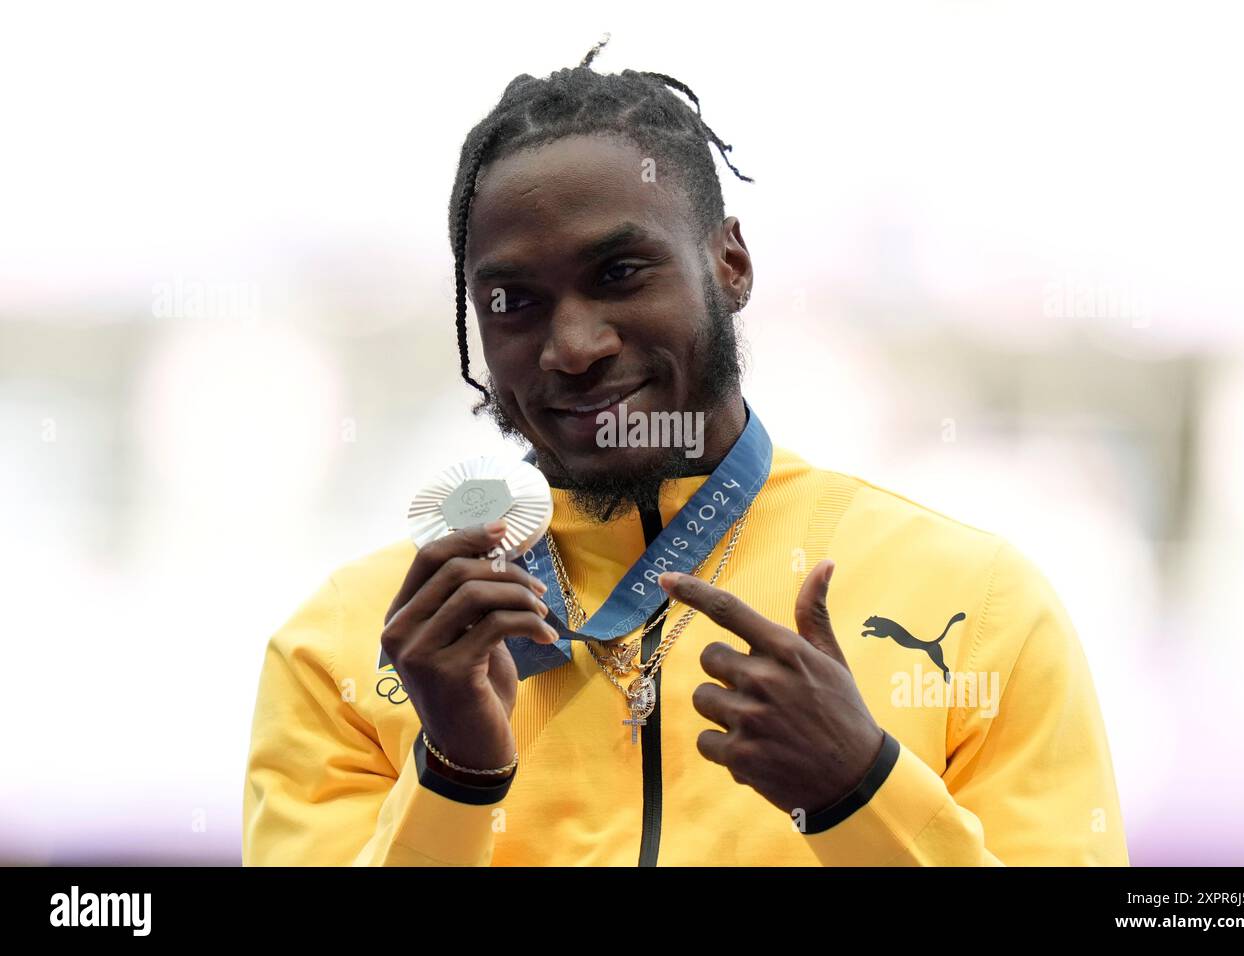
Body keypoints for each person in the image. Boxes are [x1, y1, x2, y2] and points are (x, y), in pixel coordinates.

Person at [242, 38, 1128, 866]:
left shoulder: (979, 605)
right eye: (513, 300)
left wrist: (860, 795)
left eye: (620, 274)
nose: (574, 345)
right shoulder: (347, 645)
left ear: (730, 263)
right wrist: (455, 780)